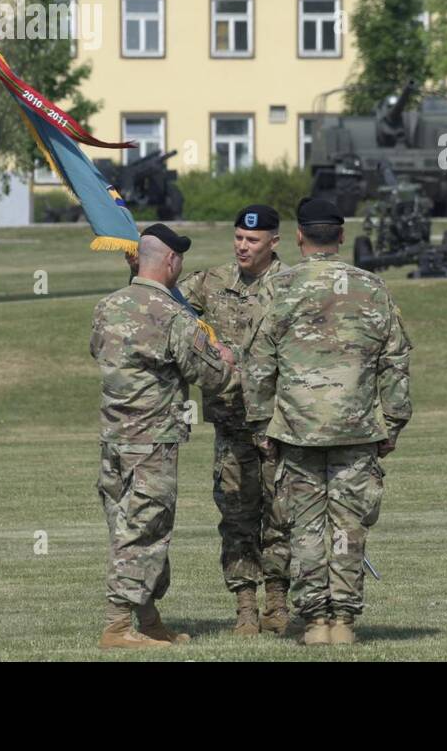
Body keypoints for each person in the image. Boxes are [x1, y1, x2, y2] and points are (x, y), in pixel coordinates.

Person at [254, 197, 411, 646]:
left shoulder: (278, 287)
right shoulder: (373, 287)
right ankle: (343, 619)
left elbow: (259, 363)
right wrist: (394, 421)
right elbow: (394, 361)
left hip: (297, 429)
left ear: (299, 236)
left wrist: (260, 425)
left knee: (304, 527)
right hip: (357, 428)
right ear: (342, 236)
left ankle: (316, 620)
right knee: (347, 527)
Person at [90, 223, 237, 650]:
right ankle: (117, 627)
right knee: (144, 530)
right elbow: (209, 375)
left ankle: (149, 620)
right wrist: (228, 361)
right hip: (151, 441)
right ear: (171, 261)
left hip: (114, 441)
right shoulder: (173, 315)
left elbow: (98, 350)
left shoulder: (107, 307)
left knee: (127, 525)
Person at [177, 204, 290, 636]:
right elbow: (164, 304)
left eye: (253, 241)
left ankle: (277, 602)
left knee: (281, 516)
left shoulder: (289, 286)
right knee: (237, 517)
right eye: (239, 238)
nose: (243, 246)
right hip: (231, 425)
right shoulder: (214, 282)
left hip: (279, 427)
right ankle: (245, 606)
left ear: (273, 243)